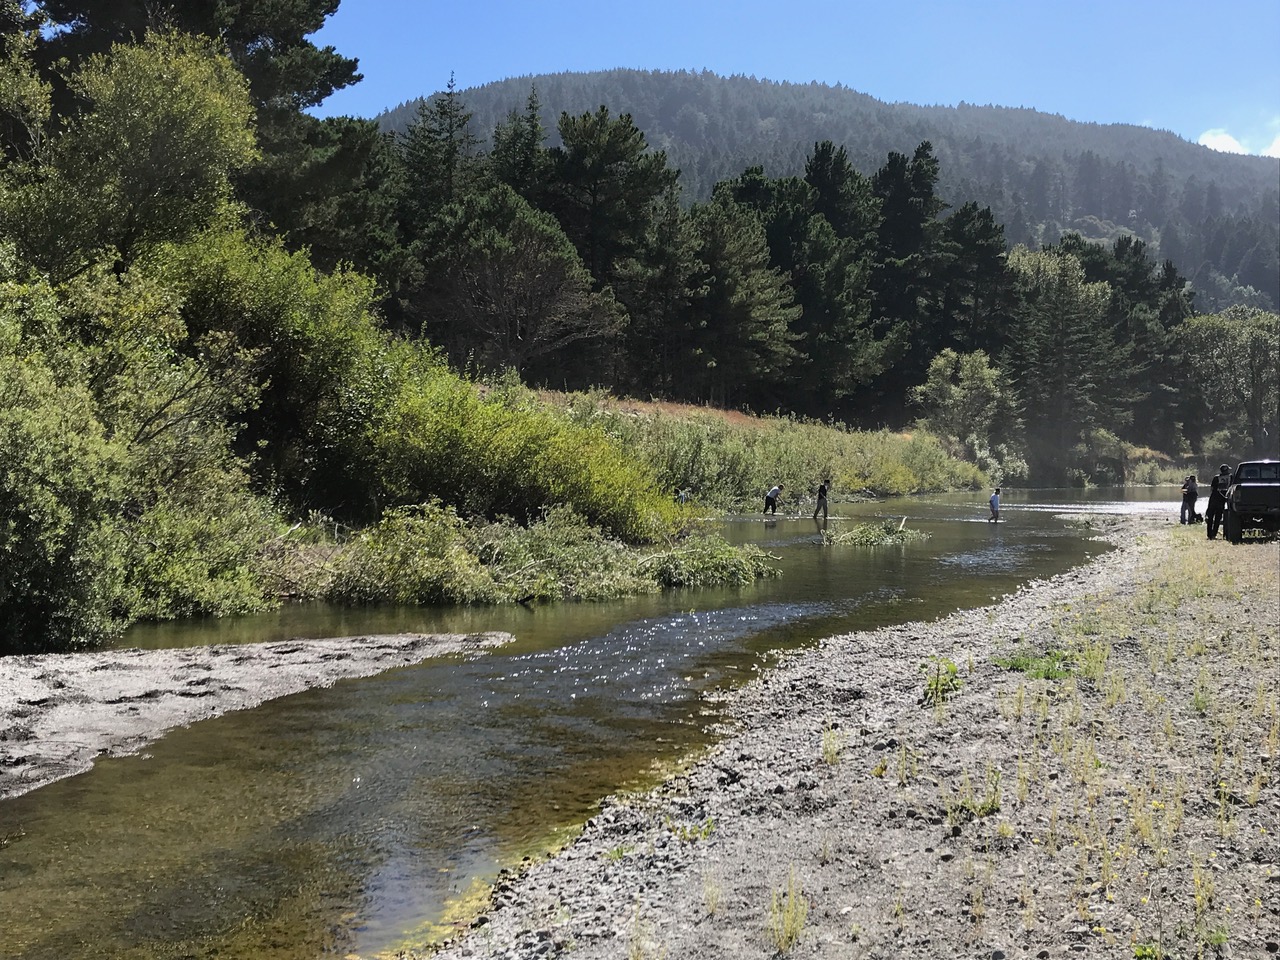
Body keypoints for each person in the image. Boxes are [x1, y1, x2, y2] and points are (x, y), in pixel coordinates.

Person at [1205, 463, 1232, 540]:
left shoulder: (1216, 478)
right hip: (1222, 500)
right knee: (1218, 518)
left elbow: (1212, 489)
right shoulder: (1230, 477)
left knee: (1210, 517)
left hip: (1213, 499)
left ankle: (1209, 534)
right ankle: (1214, 534)